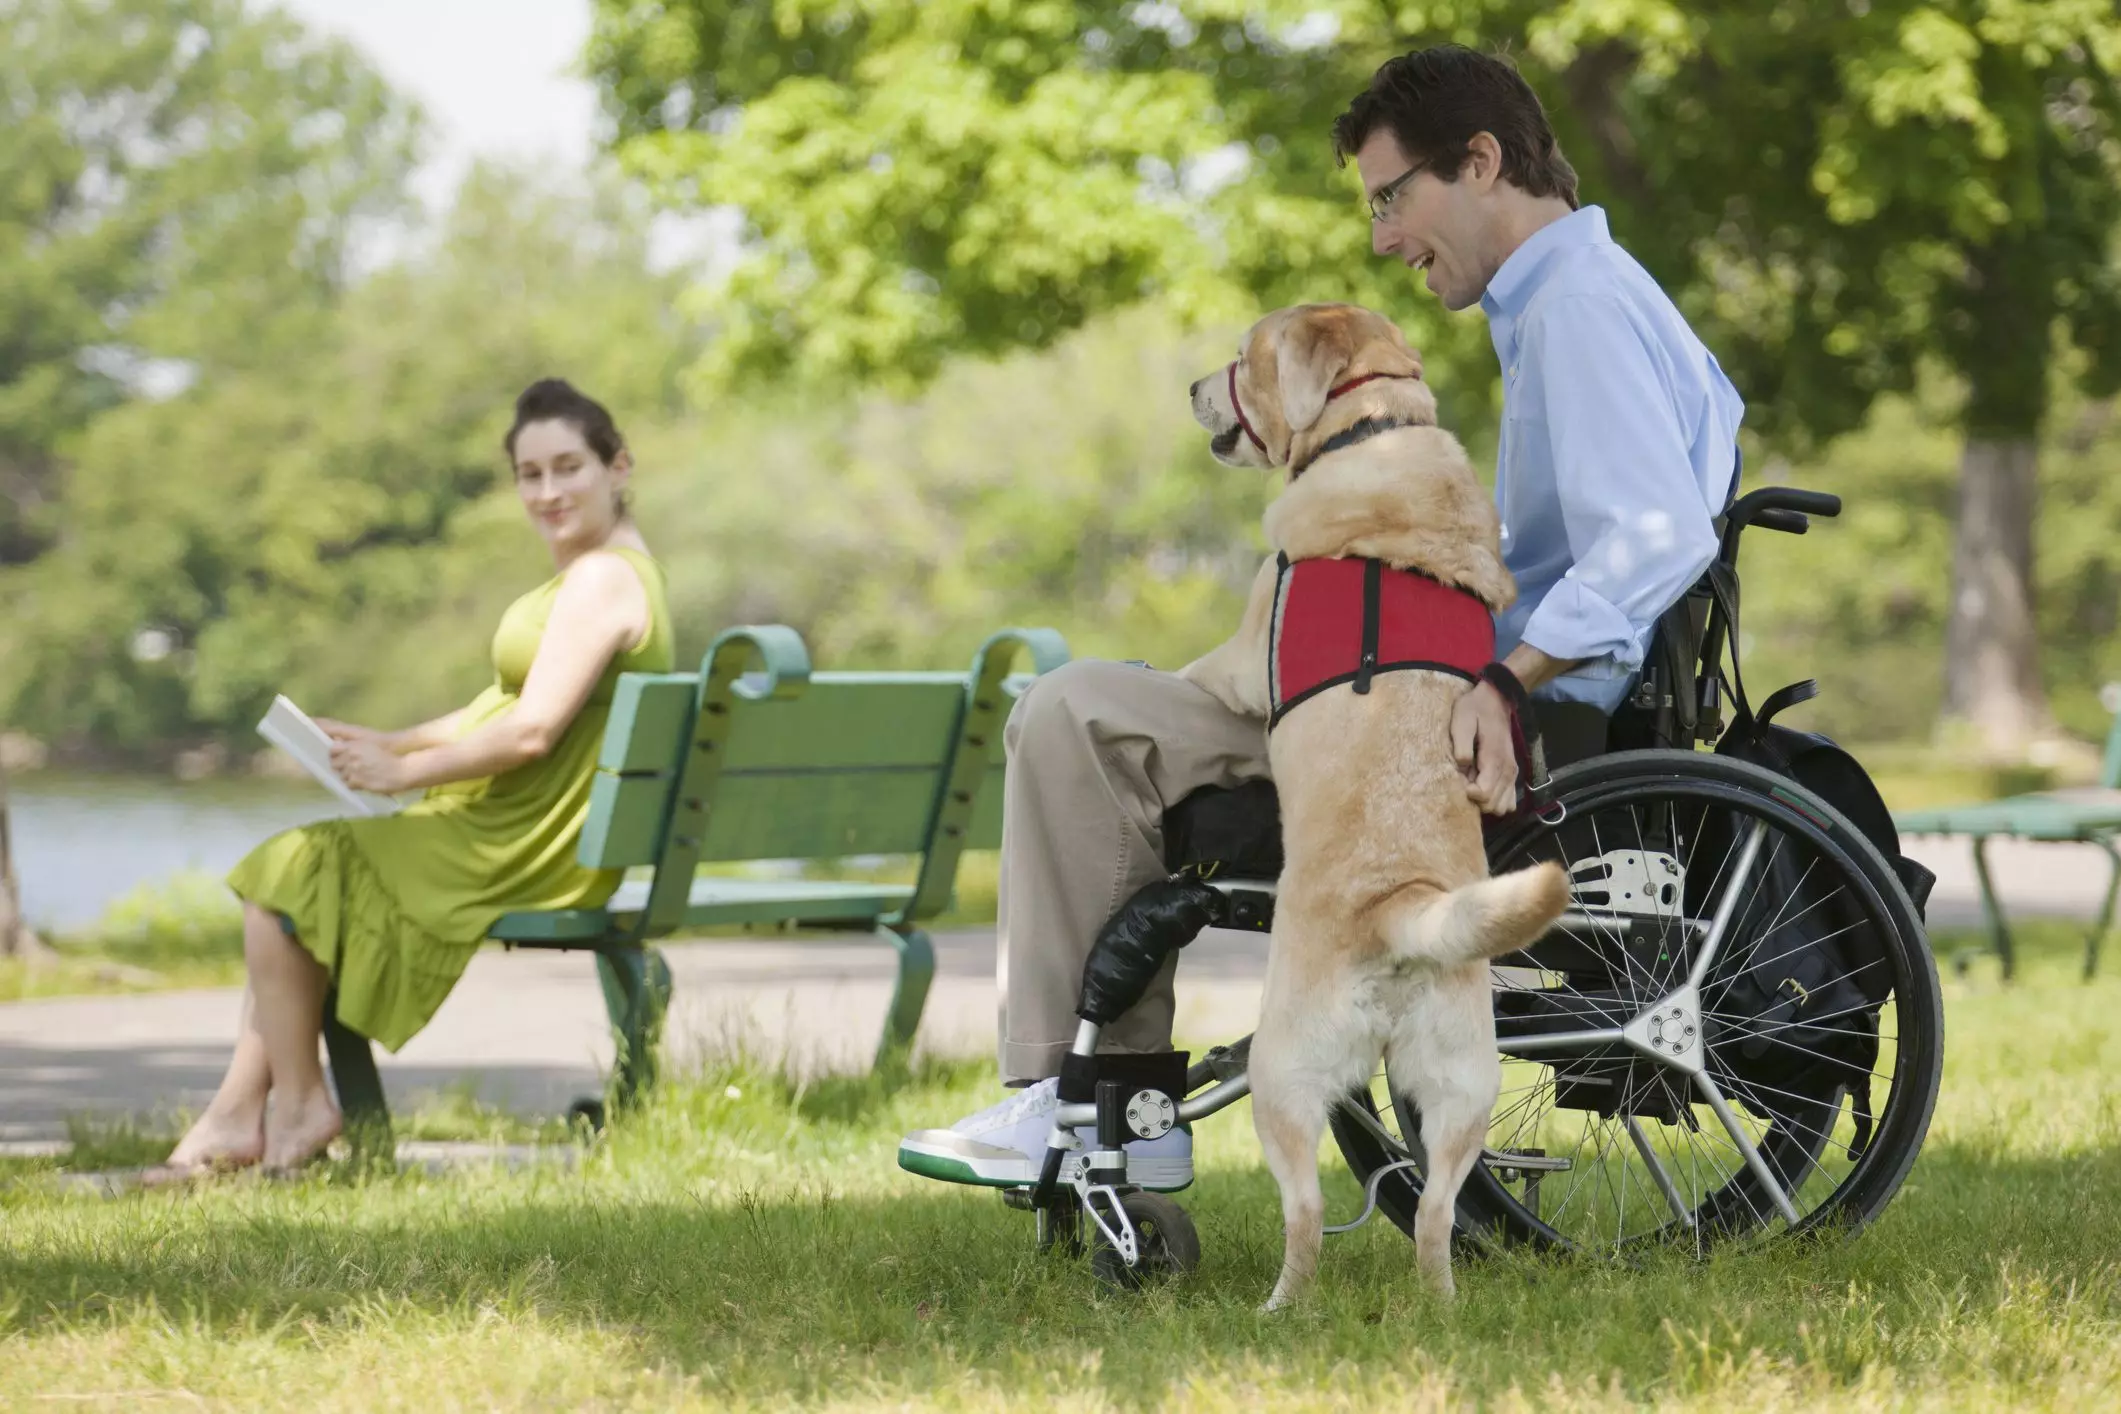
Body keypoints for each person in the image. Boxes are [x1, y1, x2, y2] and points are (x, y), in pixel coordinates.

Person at [899, 45, 1747, 1193]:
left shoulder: (1577, 311)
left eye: (1396, 197)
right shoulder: (1581, 299)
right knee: (1106, 705)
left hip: (1438, 729)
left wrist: (1506, 681)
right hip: (1422, 697)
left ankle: (1083, 1101)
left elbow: (1654, 534)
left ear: (1482, 162)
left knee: (1074, 718)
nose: (1385, 237)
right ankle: (1098, 1102)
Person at [146, 379, 675, 1182]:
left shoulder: (601, 580)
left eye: (568, 467)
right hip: (534, 830)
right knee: (299, 885)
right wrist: (395, 739)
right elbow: (502, 704)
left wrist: (404, 771)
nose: (548, 491)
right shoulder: (601, 576)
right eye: (529, 475)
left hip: (527, 843)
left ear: (618, 466)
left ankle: (296, 1106)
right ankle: (237, 1116)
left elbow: (531, 733)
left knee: (283, 877)